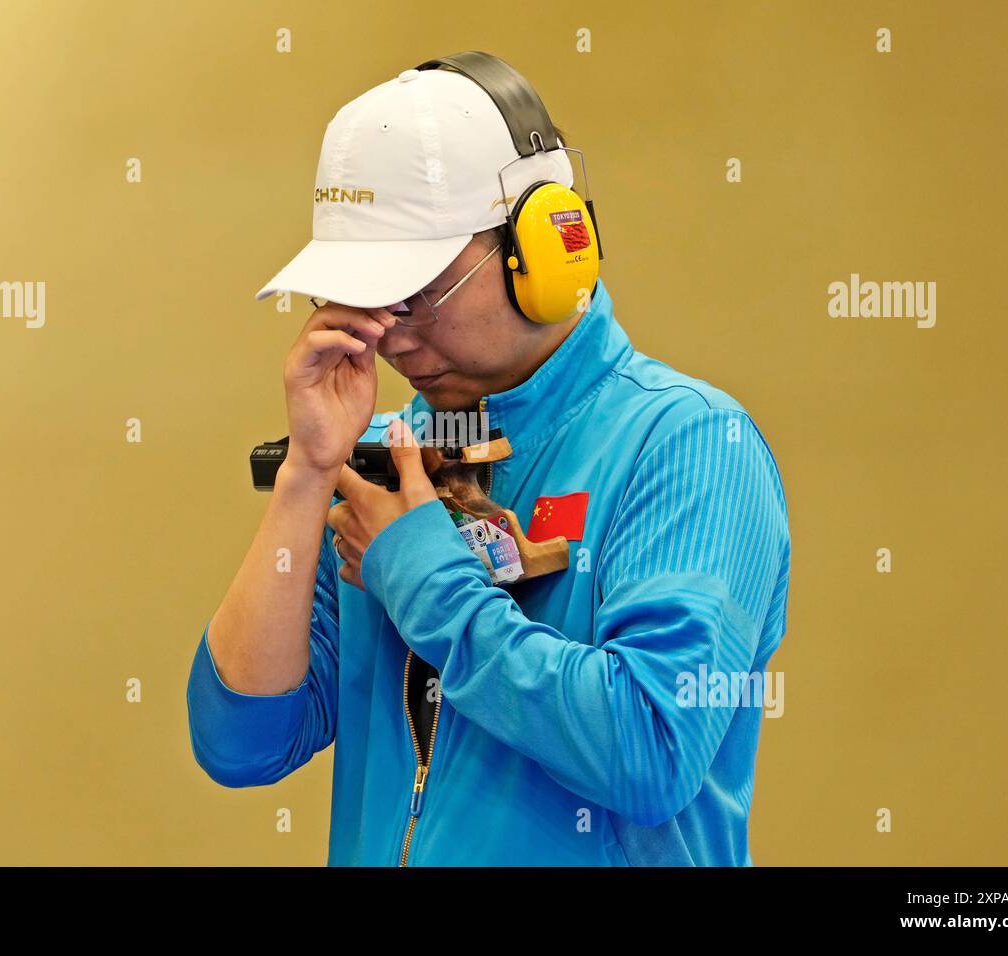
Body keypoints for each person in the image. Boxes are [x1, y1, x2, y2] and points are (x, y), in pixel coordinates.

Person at [186, 52, 791, 865]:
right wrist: (307, 473)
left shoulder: (688, 444)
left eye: (418, 291)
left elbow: (650, 749)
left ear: (543, 250)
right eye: (367, 299)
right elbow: (242, 742)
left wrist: (427, 581)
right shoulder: (394, 466)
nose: (390, 336)